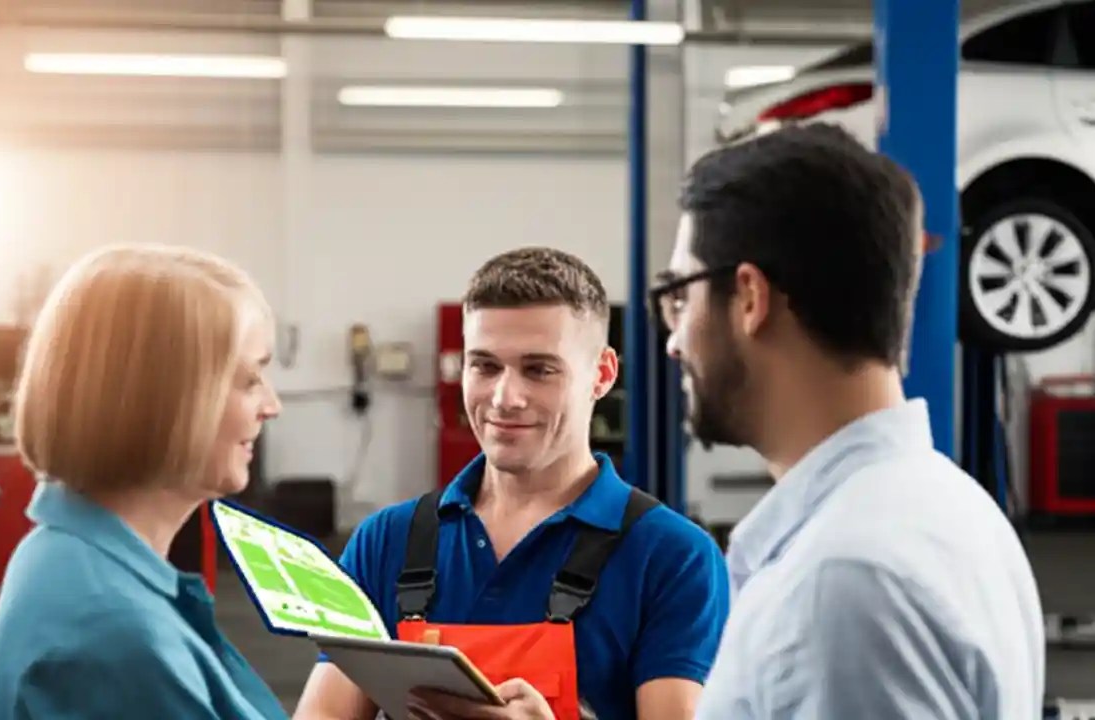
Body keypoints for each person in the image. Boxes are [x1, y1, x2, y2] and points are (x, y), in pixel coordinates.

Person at [654, 123, 1045, 719]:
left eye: (680, 295)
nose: (673, 341)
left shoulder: (840, 583)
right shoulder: (955, 509)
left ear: (750, 298)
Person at [295, 247, 730, 720]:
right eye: (484, 366)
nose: (505, 398)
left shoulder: (672, 557)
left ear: (601, 375)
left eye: (539, 369)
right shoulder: (385, 542)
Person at [0, 244, 287, 719]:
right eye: (249, 380)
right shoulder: (118, 636)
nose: (271, 406)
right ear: (167, 401)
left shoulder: (68, 556)